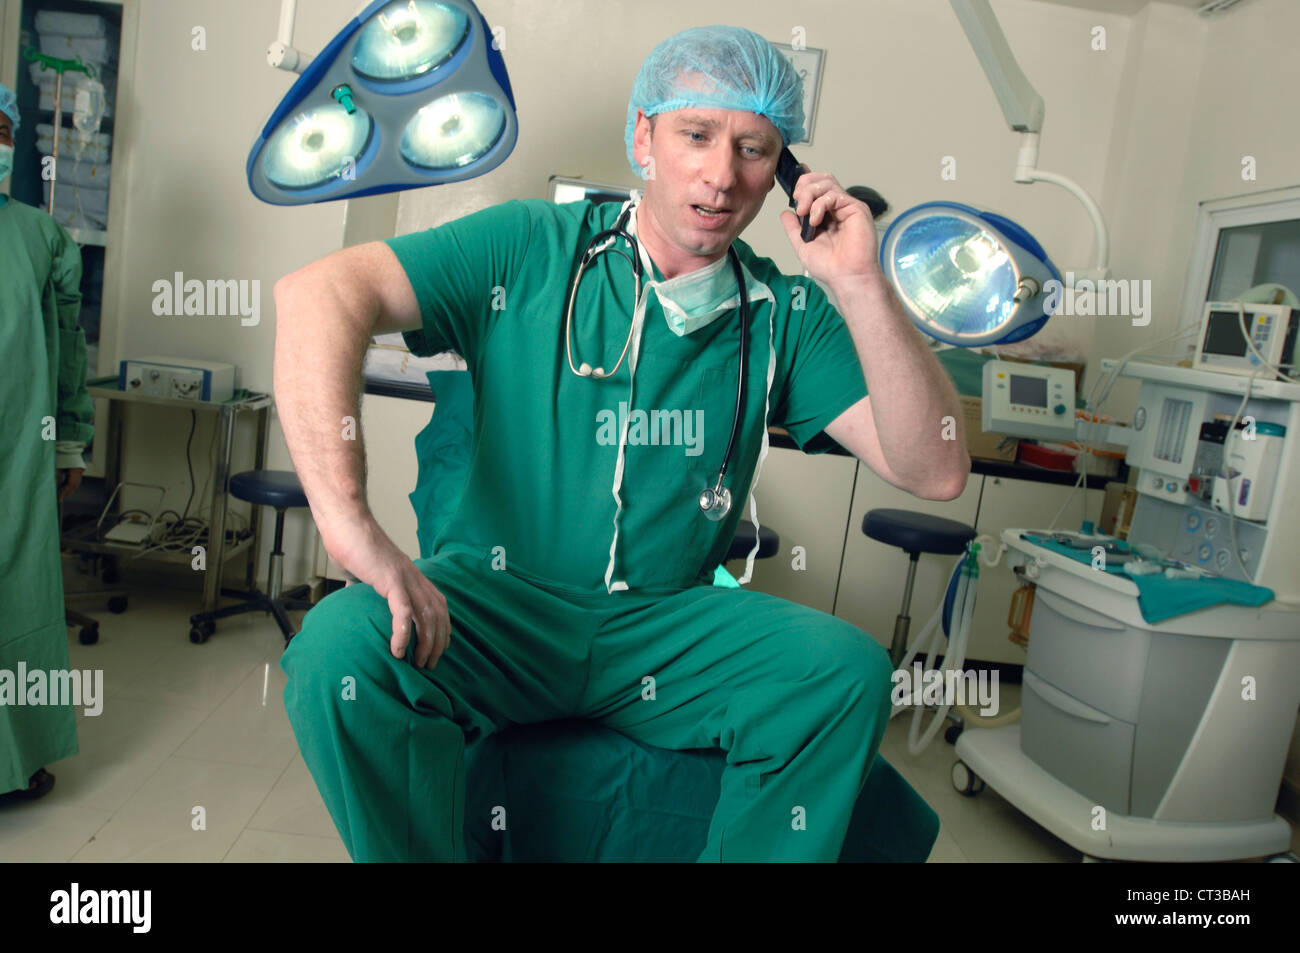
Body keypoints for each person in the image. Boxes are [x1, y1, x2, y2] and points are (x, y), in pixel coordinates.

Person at [274, 25, 968, 861]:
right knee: (339, 650)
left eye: (754, 148)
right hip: (502, 606)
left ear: (784, 169)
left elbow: (935, 468)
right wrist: (350, 527)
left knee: (843, 672)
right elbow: (319, 294)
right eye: (697, 135)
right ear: (644, 137)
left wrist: (860, 285)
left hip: (667, 622)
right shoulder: (528, 247)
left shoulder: (784, 313)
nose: (721, 175)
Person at [0, 81, 92, 803]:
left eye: (1, 130)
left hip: (16, 455)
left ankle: (19, 750)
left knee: (17, 596)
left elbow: (66, 349)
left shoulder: (39, 235)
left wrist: (67, 443)